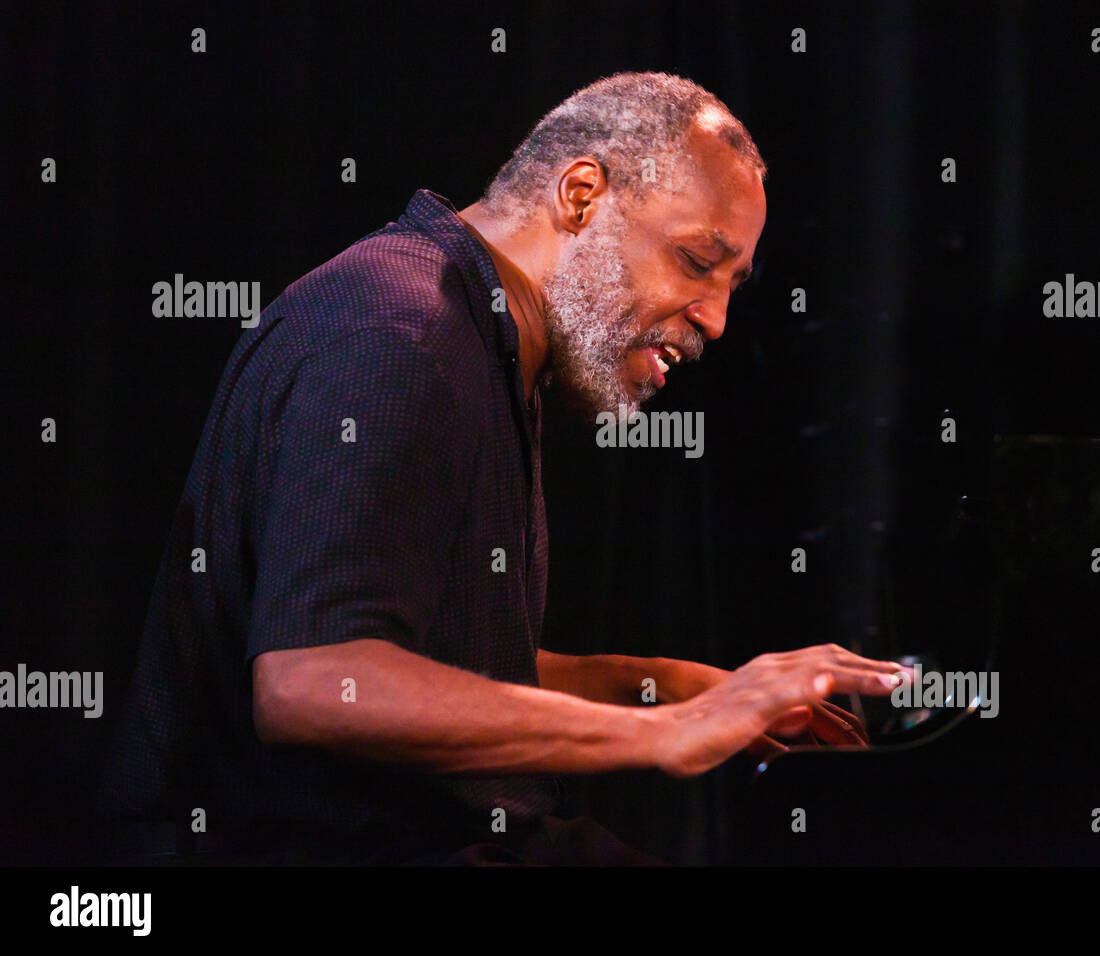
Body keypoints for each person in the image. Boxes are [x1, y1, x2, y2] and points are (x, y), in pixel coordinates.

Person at [97, 71, 904, 865]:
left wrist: (677, 688)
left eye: (732, 286)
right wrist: (664, 733)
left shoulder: (474, 332)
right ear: (582, 194)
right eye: (697, 262)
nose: (717, 321)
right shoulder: (398, 335)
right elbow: (313, 682)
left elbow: (445, 665)